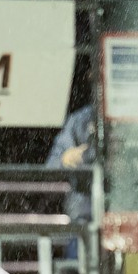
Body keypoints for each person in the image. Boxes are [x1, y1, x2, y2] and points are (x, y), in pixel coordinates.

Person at [45, 103, 96, 259]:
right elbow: (51, 166)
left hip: (127, 216)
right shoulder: (81, 119)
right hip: (85, 217)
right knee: (77, 270)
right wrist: (65, 159)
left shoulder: (132, 116)